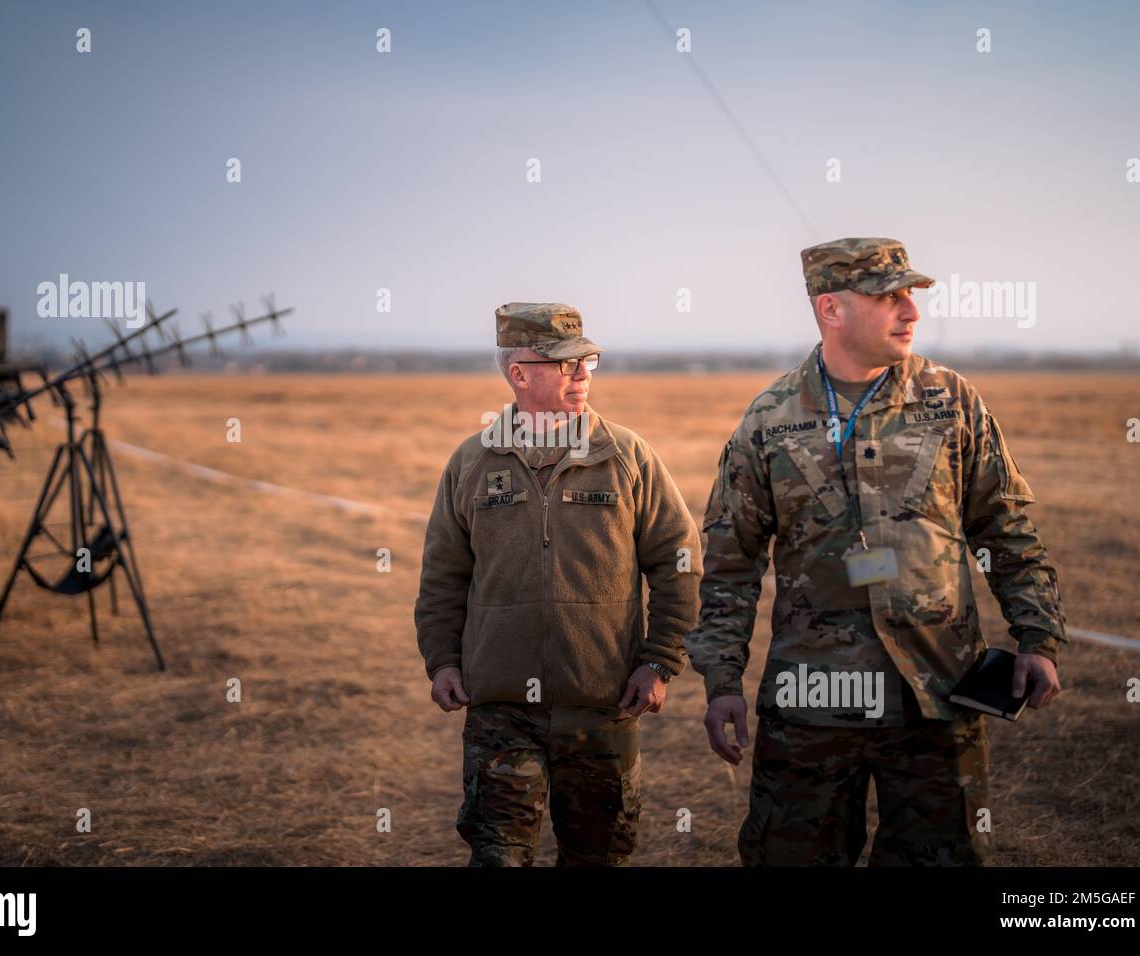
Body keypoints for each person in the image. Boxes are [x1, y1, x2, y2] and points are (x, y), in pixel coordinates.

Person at [685, 238, 1066, 866]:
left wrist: (1038, 638)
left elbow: (1006, 532)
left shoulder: (951, 402)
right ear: (831, 309)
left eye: (911, 296)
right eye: (889, 297)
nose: (911, 312)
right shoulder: (771, 419)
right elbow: (730, 565)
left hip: (937, 694)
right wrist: (722, 680)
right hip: (812, 704)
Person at [414, 302, 701, 866]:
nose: (583, 373)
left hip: (602, 706)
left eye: (587, 359)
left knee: (598, 857)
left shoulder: (626, 456)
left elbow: (679, 560)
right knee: (499, 856)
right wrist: (442, 660)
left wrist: (660, 659)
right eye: (565, 363)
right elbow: (443, 575)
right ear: (518, 373)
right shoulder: (473, 462)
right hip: (500, 710)